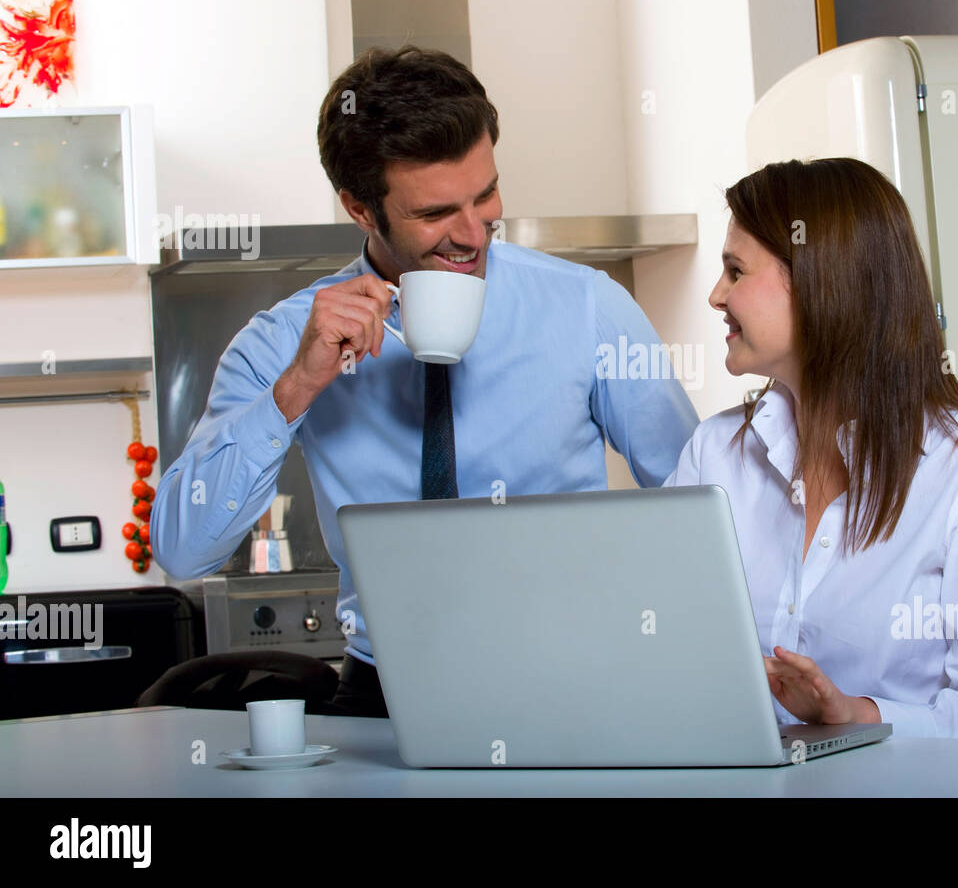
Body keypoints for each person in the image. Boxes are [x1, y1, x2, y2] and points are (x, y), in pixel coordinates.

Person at [152, 47, 699, 716]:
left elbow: (695, 504)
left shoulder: (587, 307)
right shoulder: (281, 342)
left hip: (574, 680)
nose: (474, 233)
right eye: (437, 212)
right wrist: (295, 388)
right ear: (360, 207)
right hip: (385, 694)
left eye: (486, 194)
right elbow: (183, 548)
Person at [664, 157, 958, 738]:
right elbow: (660, 639)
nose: (717, 296)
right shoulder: (713, 454)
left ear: (821, 283)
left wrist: (858, 716)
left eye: (736, 271)